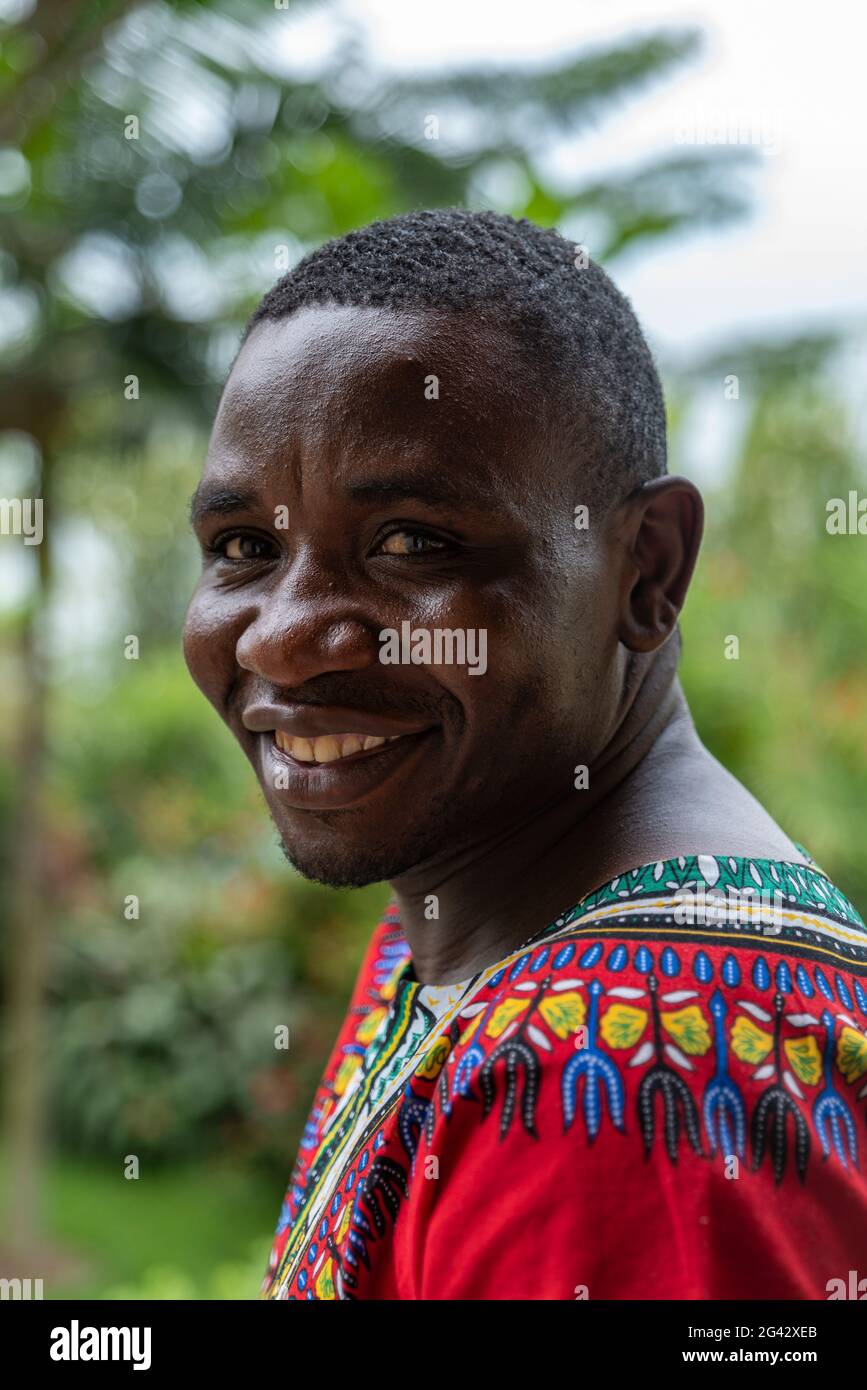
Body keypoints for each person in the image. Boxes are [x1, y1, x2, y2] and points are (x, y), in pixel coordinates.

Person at [183, 209, 867, 1300]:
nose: (278, 636)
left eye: (412, 543)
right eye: (244, 550)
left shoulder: (614, 1068)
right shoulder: (475, 920)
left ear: (647, 570)